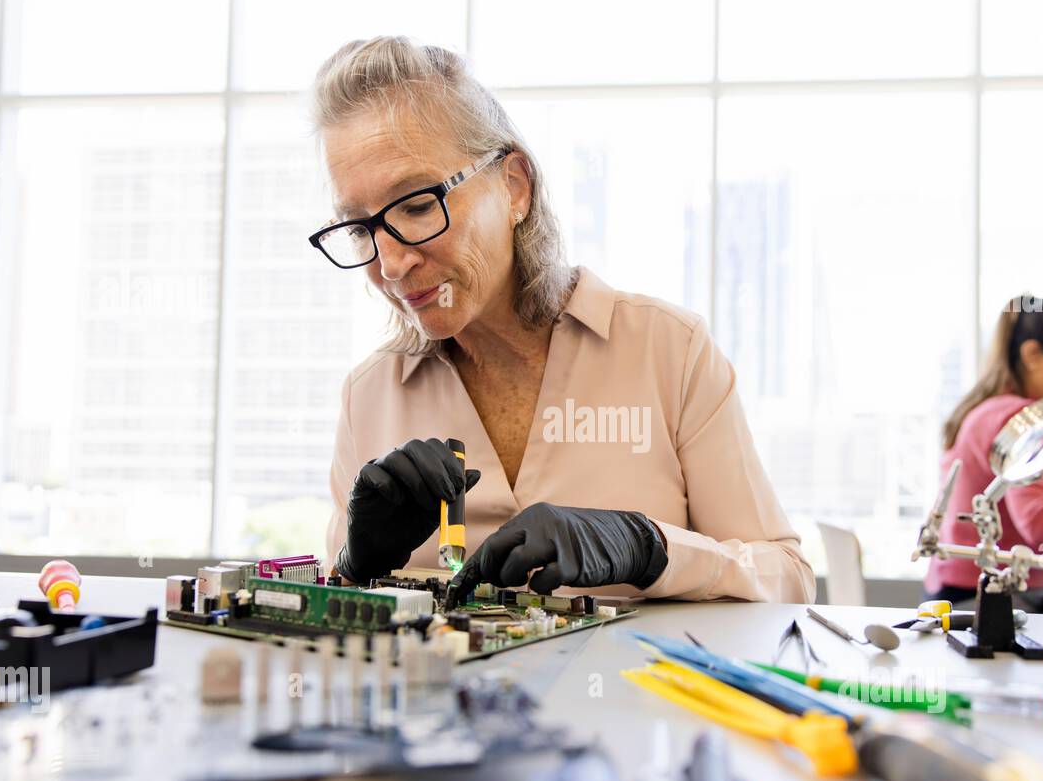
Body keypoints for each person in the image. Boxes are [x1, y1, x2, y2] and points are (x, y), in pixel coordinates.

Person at [314, 36, 816, 604]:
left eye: (417, 205)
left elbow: (789, 584)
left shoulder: (671, 353)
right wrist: (354, 569)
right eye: (359, 228)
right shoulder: (368, 395)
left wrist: (649, 548)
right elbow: (328, 622)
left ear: (514, 187)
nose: (390, 263)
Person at [925, 295, 1043, 613]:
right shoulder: (1020, 419)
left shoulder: (988, 409)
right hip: (990, 601)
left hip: (955, 593)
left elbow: (1019, 512)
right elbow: (1040, 522)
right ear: (1033, 354)